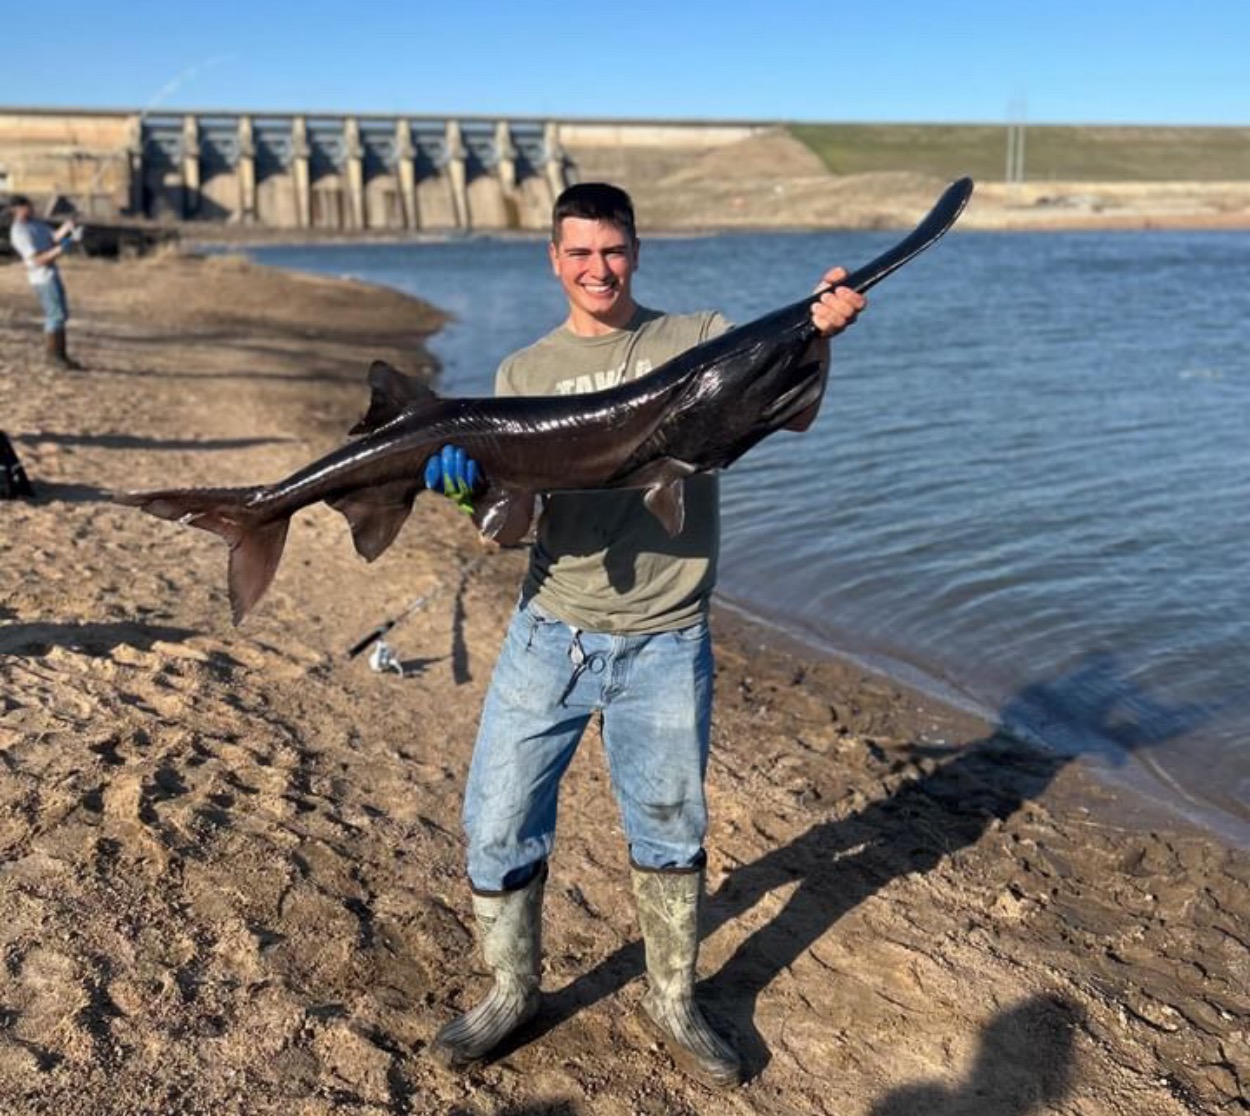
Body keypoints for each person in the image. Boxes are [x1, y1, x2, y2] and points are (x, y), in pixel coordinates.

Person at [422, 182, 866, 1087]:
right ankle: (512, 991)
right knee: (497, 823)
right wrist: (470, 493)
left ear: (636, 251)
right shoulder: (522, 374)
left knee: (670, 832)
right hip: (551, 635)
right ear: (555, 260)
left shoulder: (697, 339)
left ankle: (671, 998)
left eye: (614, 250)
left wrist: (819, 336)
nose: (599, 268)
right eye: (580, 253)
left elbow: (795, 412)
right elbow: (514, 530)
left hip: (667, 639)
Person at [6, 195, 81, 369]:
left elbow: (53, 237)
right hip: (42, 278)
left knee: (61, 314)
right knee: (55, 315)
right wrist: (63, 247)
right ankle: (54, 357)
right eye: (26, 207)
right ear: (16, 210)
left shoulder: (35, 224)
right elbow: (38, 260)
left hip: (52, 274)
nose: (31, 209)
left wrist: (68, 227)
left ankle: (61, 355)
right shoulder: (19, 232)